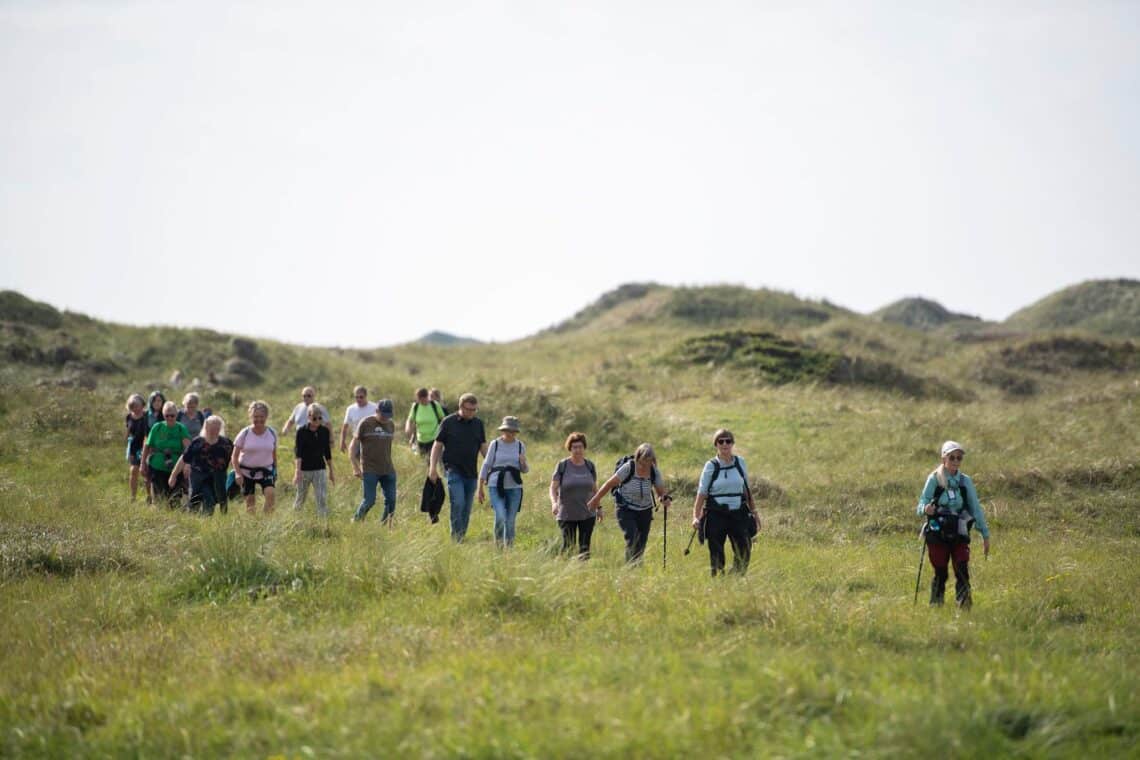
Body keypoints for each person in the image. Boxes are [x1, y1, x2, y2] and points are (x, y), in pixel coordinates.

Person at [917, 440, 991, 608]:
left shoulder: (965, 481)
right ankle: (936, 605)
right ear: (944, 458)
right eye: (952, 457)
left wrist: (985, 535)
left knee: (961, 568)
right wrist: (925, 509)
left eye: (959, 458)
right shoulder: (934, 479)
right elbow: (921, 503)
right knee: (941, 572)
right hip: (937, 531)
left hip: (960, 530)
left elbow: (975, 508)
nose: (956, 461)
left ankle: (964, 604)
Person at [587, 443, 672, 563]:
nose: (644, 466)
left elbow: (660, 493)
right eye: (642, 462)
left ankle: (637, 567)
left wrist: (664, 499)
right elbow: (609, 484)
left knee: (641, 543)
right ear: (638, 458)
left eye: (648, 462)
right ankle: (630, 567)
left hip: (645, 511)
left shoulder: (654, 471)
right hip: (625, 509)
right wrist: (596, 499)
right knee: (632, 538)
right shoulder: (629, 467)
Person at [692, 429, 760, 576]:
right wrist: (696, 517)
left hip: (739, 513)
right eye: (720, 441)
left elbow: (746, 490)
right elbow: (702, 493)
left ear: (732, 443)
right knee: (716, 552)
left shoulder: (740, 462)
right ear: (716, 444)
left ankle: (735, 578)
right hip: (716, 514)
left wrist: (755, 513)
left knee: (744, 549)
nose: (724, 444)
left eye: (728, 441)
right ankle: (718, 581)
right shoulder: (710, 466)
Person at [428, 393, 487, 542]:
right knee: (458, 503)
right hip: (453, 470)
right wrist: (432, 468)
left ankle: (461, 536)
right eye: (468, 409)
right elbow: (437, 445)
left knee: (466, 508)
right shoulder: (448, 422)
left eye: (474, 410)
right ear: (460, 407)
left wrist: (490, 467)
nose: (471, 413)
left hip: (471, 473)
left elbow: (483, 447)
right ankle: (456, 538)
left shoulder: (478, 424)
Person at [479, 416, 529, 548]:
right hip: (496, 485)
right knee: (500, 516)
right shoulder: (495, 444)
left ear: (516, 431)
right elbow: (486, 465)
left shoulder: (520, 446)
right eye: (507, 430)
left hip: (515, 487)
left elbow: (525, 470)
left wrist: (523, 462)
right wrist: (480, 487)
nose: (510, 433)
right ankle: (499, 546)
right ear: (503, 430)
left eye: (513, 431)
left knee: (510, 521)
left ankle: (509, 548)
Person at [170, 415, 233, 515]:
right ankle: (196, 519)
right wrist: (173, 475)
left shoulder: (226, 443)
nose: (214, 431)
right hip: (199, 476)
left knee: (220, 500)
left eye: (217, 428)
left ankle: (222, 519)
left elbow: (234, 458)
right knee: (199, 500)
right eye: (212, 428)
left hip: (218, 477)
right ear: (206, 427)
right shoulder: (197, 443)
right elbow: (184, 458)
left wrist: (238, 472)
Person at [550, 432, 599, 559]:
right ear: (570, 449)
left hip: (588, 513)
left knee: (585, 549)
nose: (577, 450)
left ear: (584, 448)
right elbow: (553, 488)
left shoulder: (589, 466)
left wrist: (599, 508)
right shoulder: (563, 465)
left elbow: (594, 489)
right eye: (574, 447)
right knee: (568, 547)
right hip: (566, 514)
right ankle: (563, 568)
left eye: (580, 447)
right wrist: (554, 503)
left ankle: (583, 570)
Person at [350, 399, 397, 524]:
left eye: (388, 415)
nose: (385, 418)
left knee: (392, 501)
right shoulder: (365, 423)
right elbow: (353, 446)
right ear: (376, 411)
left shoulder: (391, 425)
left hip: (388, 469)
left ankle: (384, 525)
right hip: (370, 469)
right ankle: (356, 520)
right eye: (383, 415)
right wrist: (355, 467)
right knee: (369, 501)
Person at [140, 400, 191, 506]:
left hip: (176, 468)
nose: (169, 418)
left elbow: (188, 449)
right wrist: (143, 463)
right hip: (157, 467)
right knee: (158, 499)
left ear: (176, 414)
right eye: (167, 415)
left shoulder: (181, 429)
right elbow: (147, 445)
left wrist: (187, 465)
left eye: (172, 415)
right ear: (163, 415)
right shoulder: (157, 427)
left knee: (174, 500)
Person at [232, 400, 278, 514]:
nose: (258, 419)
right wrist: (238, 473)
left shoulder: (272, 433)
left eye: (261, 416)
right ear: (250, 416)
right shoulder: (244, 433)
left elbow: (273, 453)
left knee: (270, 495)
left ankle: (267, 521)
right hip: (246, 472)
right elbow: (234, 456)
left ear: (266, 416)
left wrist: (275, 470)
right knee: (250, 503)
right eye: (255, 416)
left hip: (266, 470)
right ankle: (253, 522)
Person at [293, 402, 335, 517]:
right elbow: (298, 452)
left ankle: (323, 520)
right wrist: (297, 471)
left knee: (321, 497)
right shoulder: (301, 431)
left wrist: (331, 471)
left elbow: (327, 452)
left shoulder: (324, 431)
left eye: (320, 418)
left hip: (319, 469)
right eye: (314, 418)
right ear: (309, 417)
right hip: (304, 470)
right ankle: (295, 518)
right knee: (301, 497)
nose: (317, 421)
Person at [405, 387, 447, 456]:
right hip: (421, 440)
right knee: (424, 460)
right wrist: (408, 428)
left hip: (435, 439)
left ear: (427, 397)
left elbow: (443, 419)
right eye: (420, 400)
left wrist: (444, 434)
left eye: (424, 400)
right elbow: (410, 419)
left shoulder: (435, 405)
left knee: (434, 460)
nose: (422, 402)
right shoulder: (415, 406)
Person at [124, 393, 149, 501]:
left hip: (145, 446)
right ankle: (133, 497)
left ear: (142, 405)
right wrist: (127, 445)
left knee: (146, 472)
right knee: (133, 470)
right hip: (134, 447)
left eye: (137, 406)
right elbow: (128, 431)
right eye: (133, 406)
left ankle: (149, 496)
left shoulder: (147, 416)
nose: (136, 408)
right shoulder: (129, 417)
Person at [340, 386, 378, 453]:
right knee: (352, 455)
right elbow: (345, 426)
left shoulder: (374, 407)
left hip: (371, 439)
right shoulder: (351, 409)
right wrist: (342, 441)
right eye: (356, 397)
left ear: (366, 396)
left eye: (361, 397)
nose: (358, 399)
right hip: (357, 439)